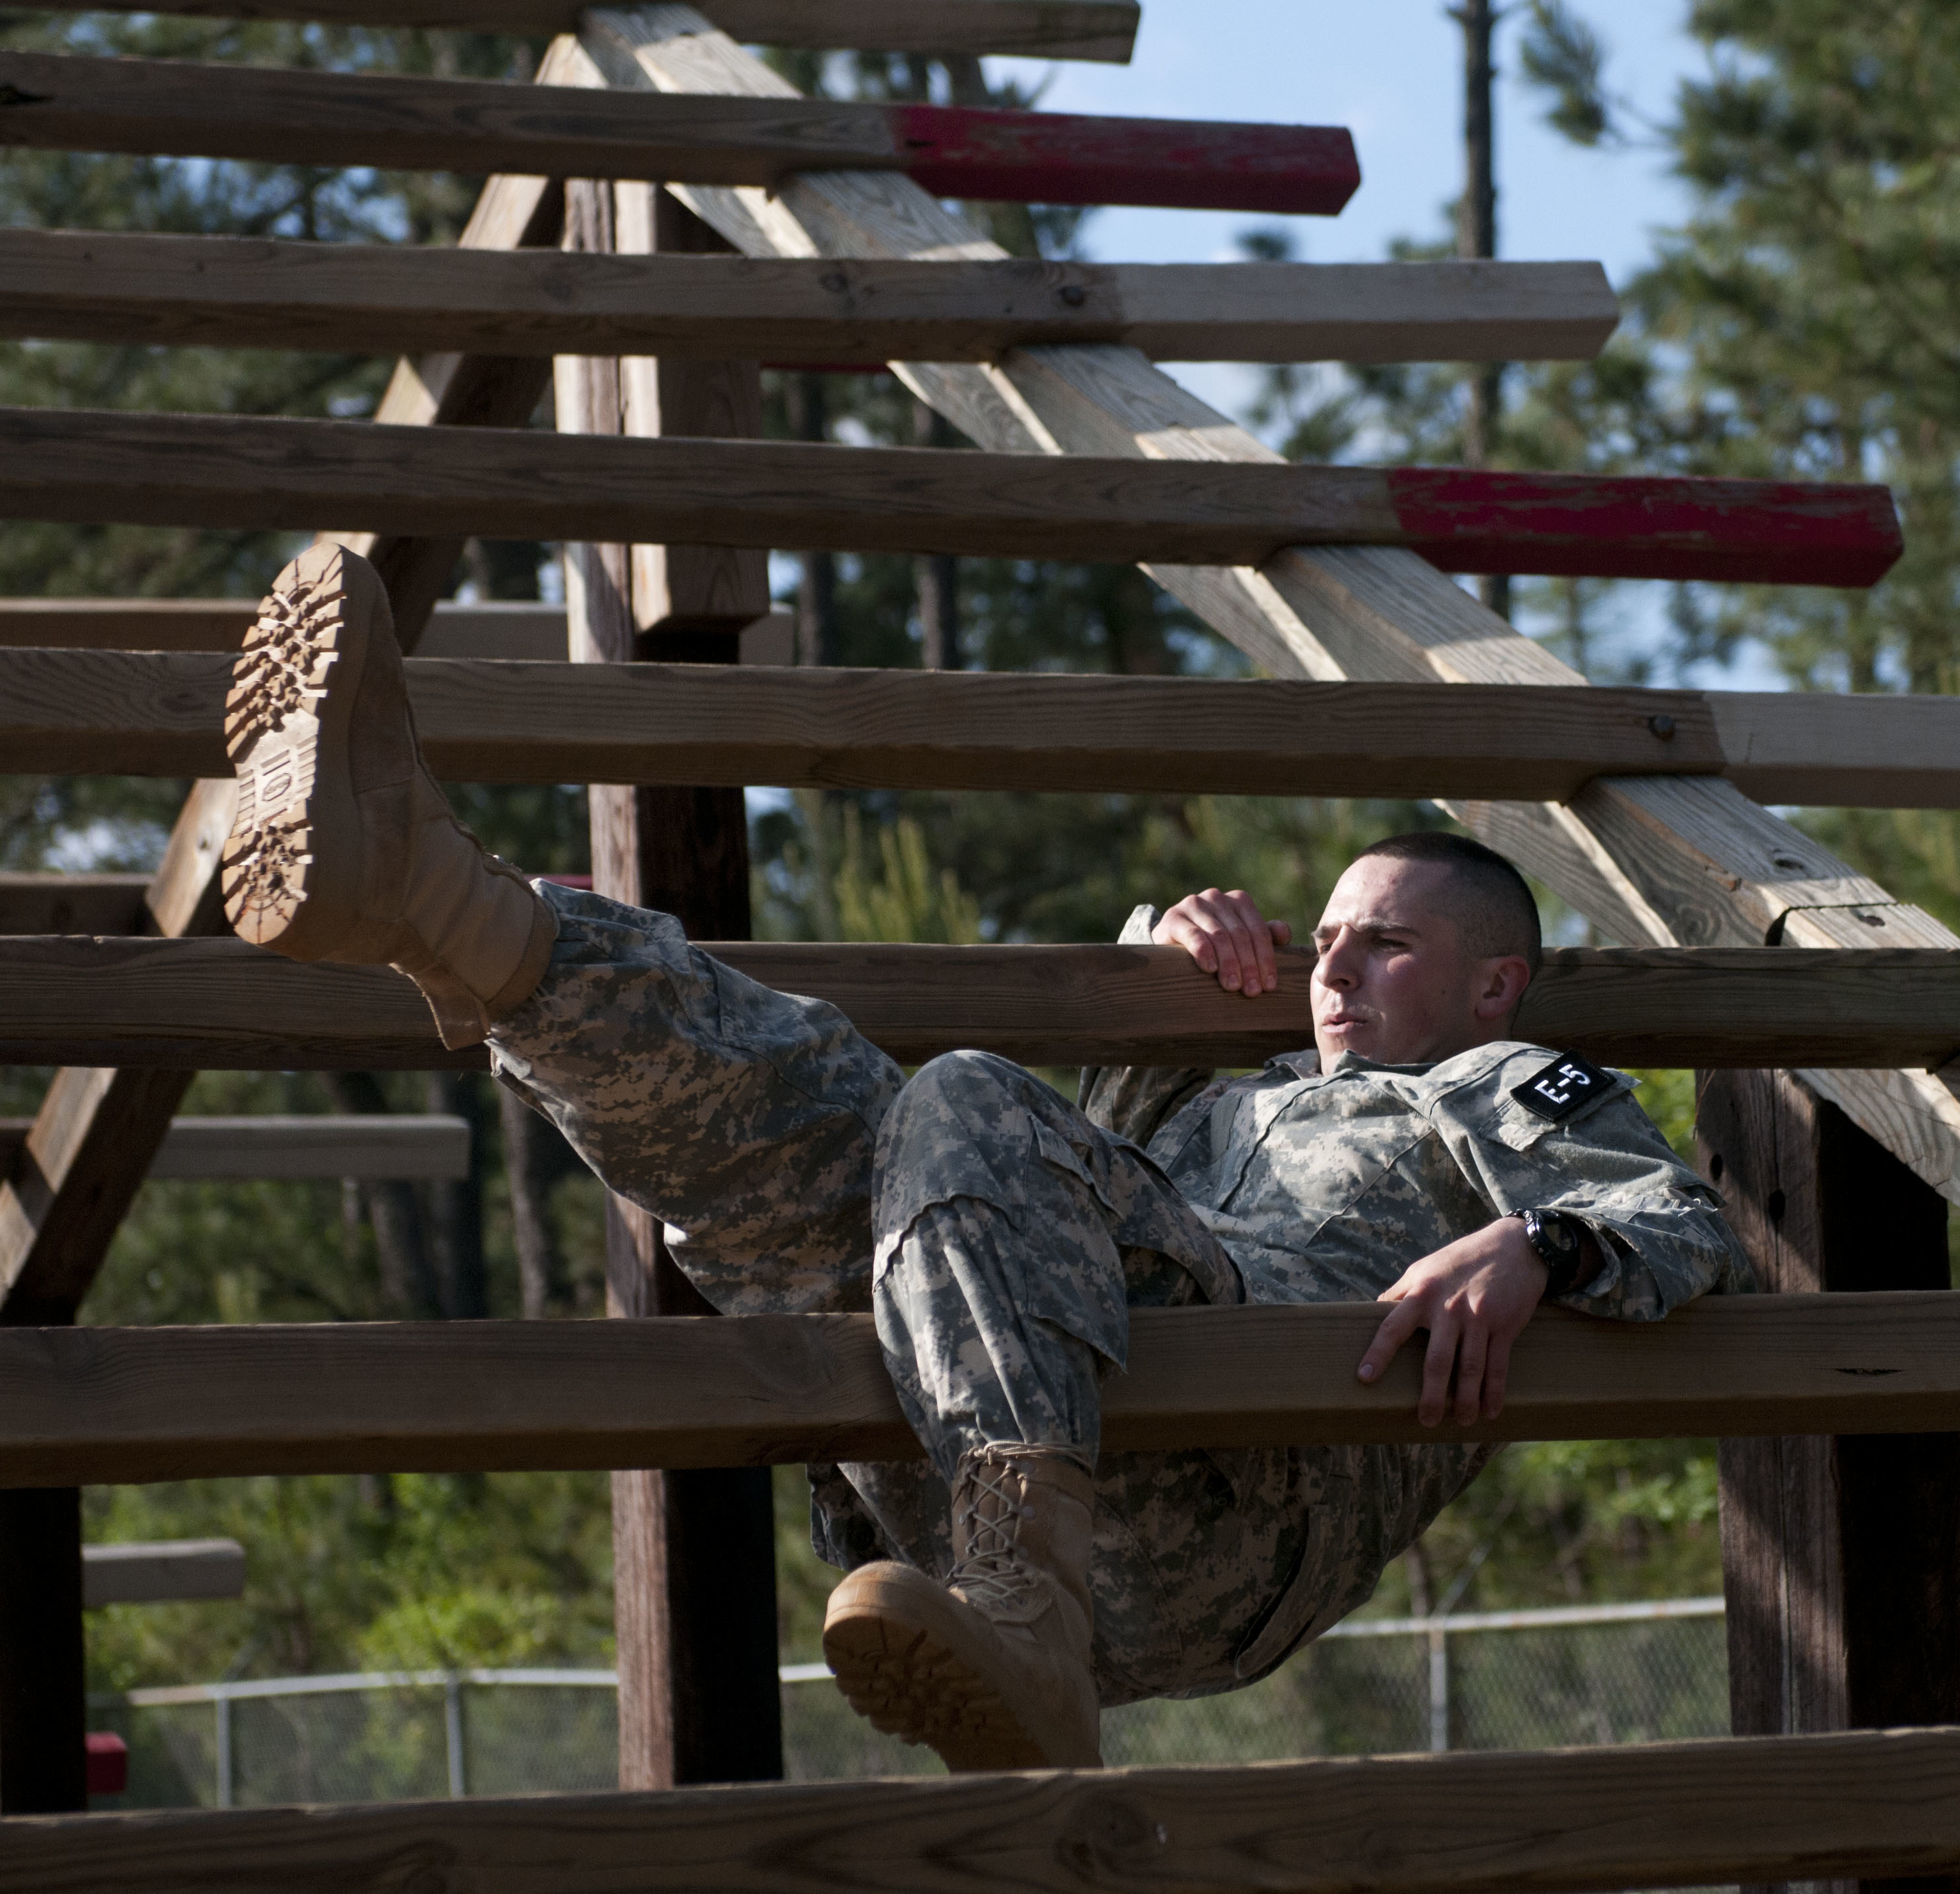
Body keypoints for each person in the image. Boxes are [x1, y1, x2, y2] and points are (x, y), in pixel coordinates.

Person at [218, 543, 1748, 1773]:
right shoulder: (1231, 1098)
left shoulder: (1490, 1084)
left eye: (1388, 945)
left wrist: (1532, 1246)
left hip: (1237, 1508)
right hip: (1019, 1450)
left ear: (1492, 984)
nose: (1333, 969)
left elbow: (1675, 1217)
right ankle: (449, 910)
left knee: (952, 1095)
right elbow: (1037, 1191)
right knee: (825, 1116)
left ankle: (1028, 1599)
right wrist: (1157, 960)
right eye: (1326, 937)